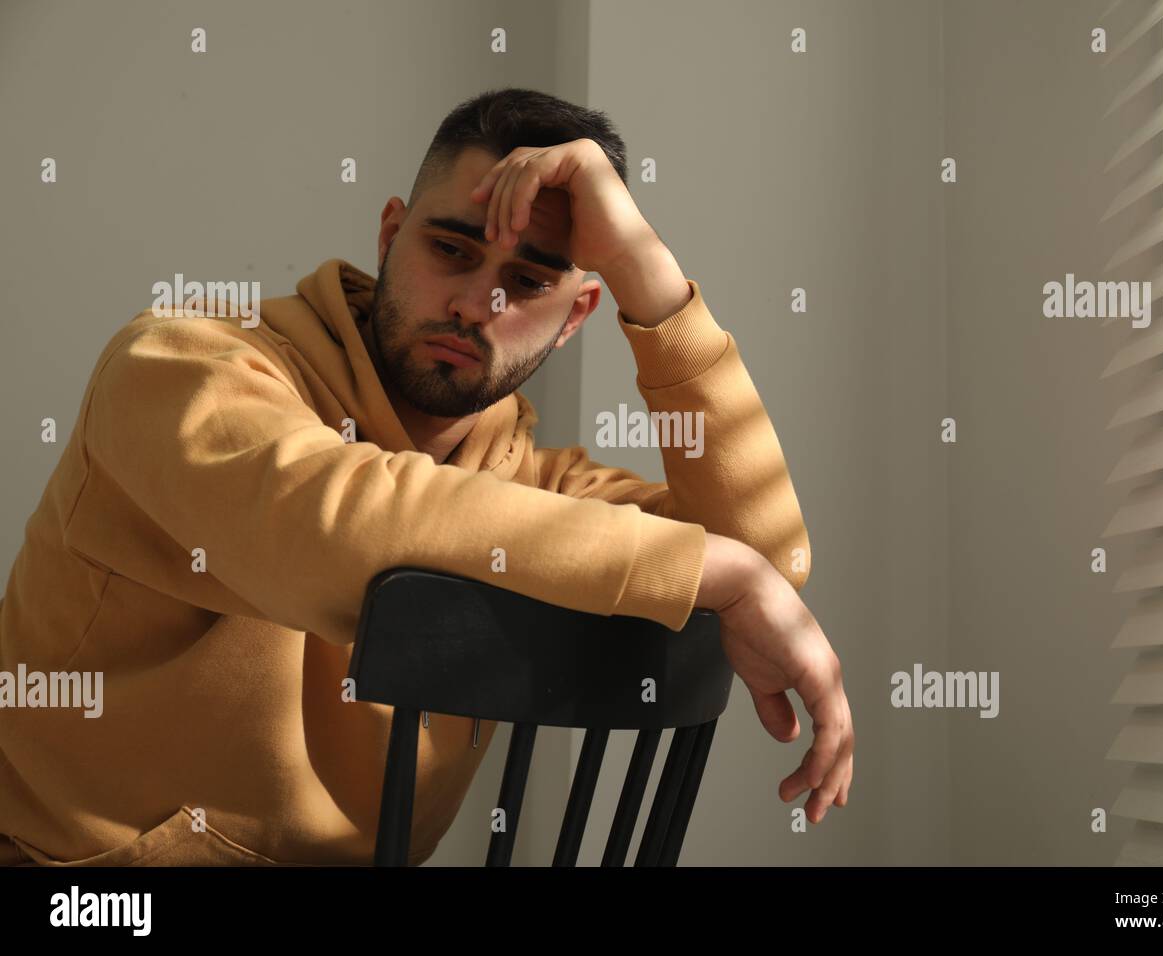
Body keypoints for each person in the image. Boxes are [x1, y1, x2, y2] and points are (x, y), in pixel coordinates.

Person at [0, 87, 852, 866]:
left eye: (528, 281)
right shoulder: (178, 367)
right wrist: (714, 571)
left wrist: (649, 280)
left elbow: (769, 561)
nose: (477, 305)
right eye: (451, 249)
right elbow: (334, 524)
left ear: (576, 316)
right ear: (389, 237)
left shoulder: (531, 493)